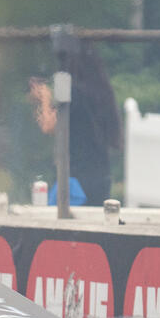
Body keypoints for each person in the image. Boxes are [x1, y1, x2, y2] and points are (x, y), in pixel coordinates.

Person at [28, 39, 122, 204]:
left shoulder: (74, 92)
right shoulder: (101, 92)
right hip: (101, 177)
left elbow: (48, 125)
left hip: (76, 180)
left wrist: (44, 97)